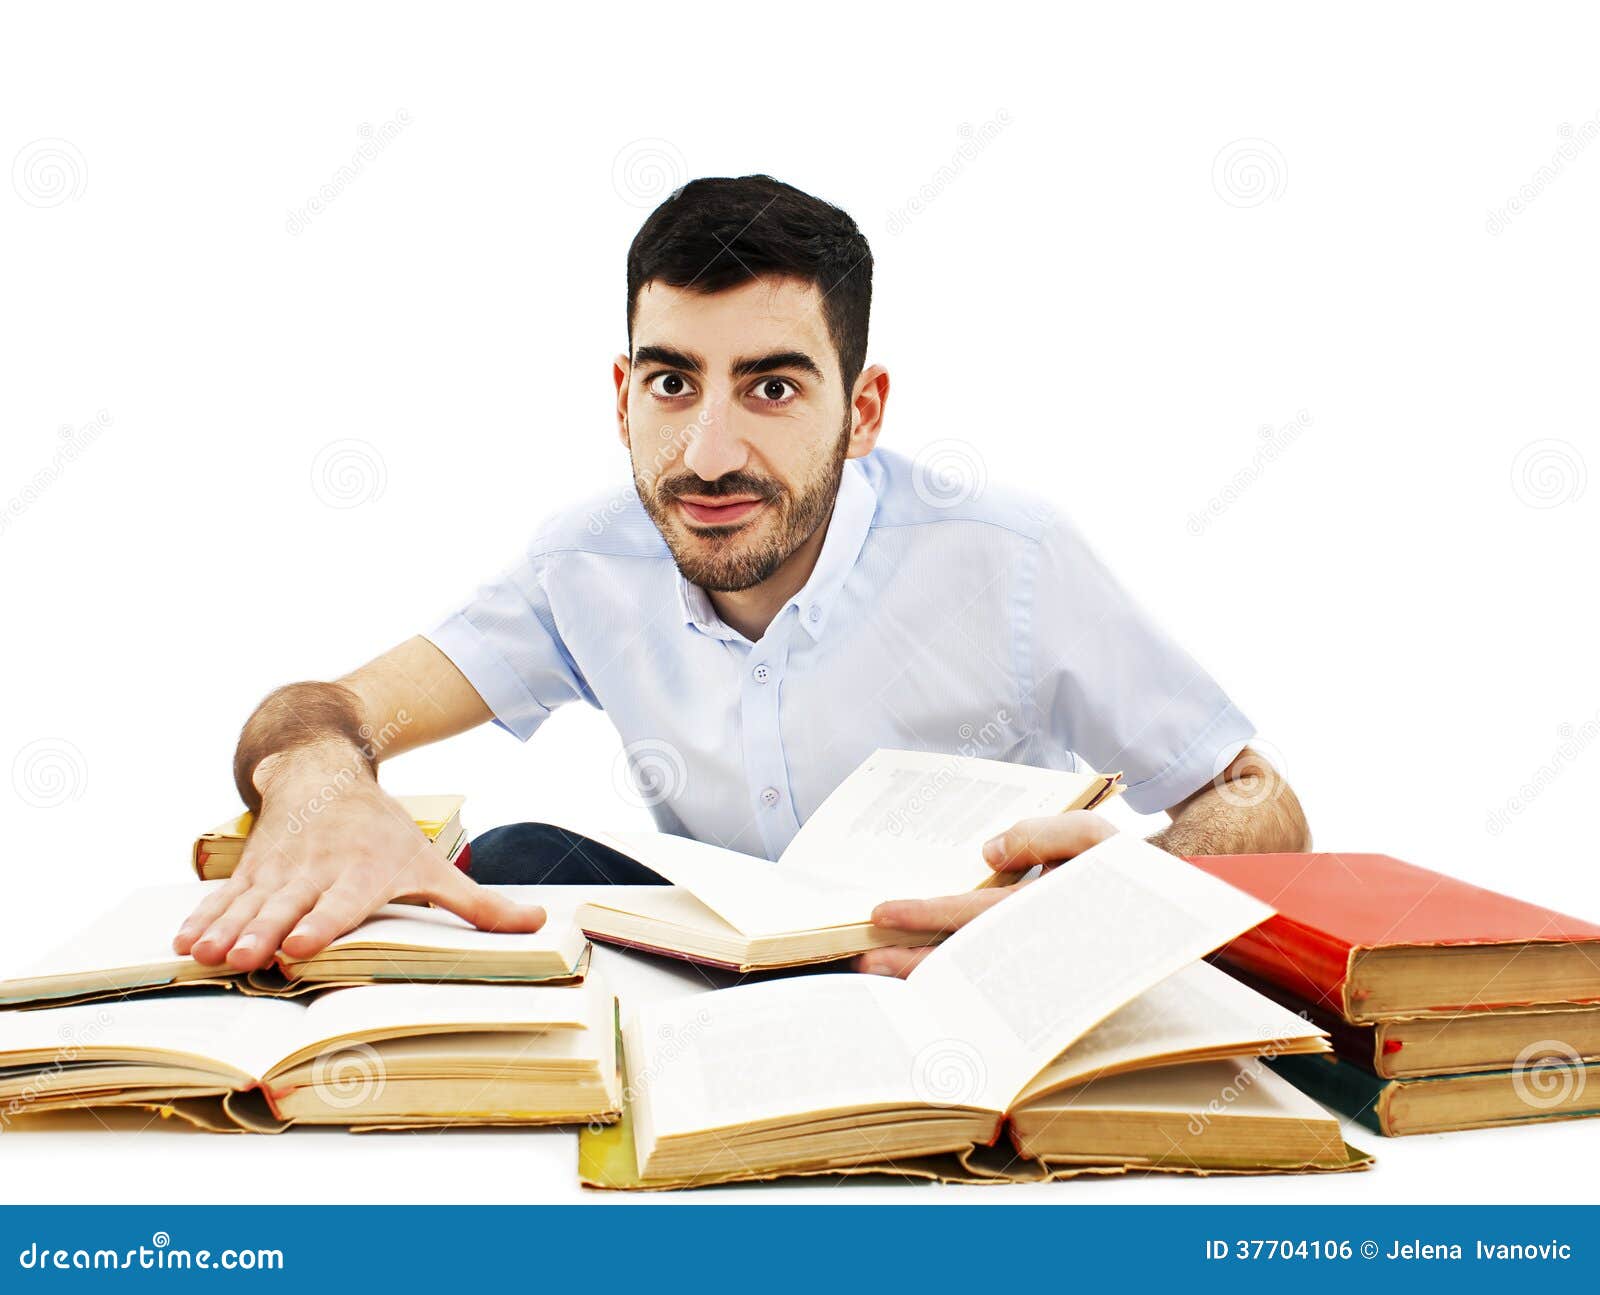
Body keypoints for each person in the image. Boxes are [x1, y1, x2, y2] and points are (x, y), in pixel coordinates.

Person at [174, 175, 1308, 979]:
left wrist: (1113, 898)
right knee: (518, 862)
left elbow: (1257, 802)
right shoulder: (585, 561)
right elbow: (317, 710)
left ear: (861, 412)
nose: (709, 455)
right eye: (673, 385)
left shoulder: (1009, 557)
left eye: (771, 389)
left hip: (955, 974)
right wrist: (328, 792)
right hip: (719, 976)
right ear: (620, 393)